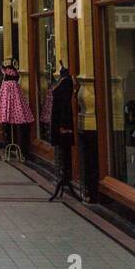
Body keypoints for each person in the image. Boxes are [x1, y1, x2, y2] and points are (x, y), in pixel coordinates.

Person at [48, 65, 76, 201]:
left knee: (64, 150)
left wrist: (64, 126)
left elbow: (65, 104)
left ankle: (66, 178)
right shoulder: (64, 81)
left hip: (63, 124)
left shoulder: (66, 82)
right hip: (60, 123)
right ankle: (64, 178)